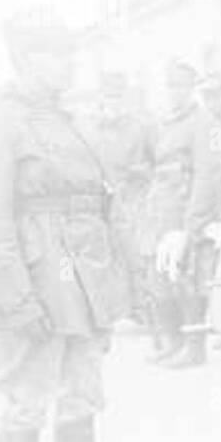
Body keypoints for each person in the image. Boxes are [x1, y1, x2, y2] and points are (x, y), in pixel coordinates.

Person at [0, 9, 150, 442]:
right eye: (59, 54)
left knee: (81, 396)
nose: (71, 63)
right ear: (27, 60)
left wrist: (122, 278)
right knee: (26, 400)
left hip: (83, 283)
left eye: (72, 52)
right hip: (37, 281)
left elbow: (97, 203)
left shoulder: (65, 120)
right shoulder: (0, 122)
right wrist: (14, 297)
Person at [155, 72, 221, 353]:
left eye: (217, 95)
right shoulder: (204, 124)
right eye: (207, 96)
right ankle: (210, 327)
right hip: (209, 201)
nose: (213, 101)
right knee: (202, 269)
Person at [142, 59, 218, 369]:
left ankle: (194, 348)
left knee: (186, 277)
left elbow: (207, 174)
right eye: (170, 86)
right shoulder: (164, 123)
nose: (175, 92)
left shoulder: (204, 123)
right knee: (159, 276)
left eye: (181, 86)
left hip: (186, 210)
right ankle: (172, 342)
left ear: (191, 89)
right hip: (161, 209)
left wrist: (193, 223)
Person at [82, 70, 155, 327]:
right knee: (103, 256)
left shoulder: (141, 126)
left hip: (132, 198)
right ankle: (107, 310)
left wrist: (141, 172)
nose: (113, 101)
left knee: (134, 255)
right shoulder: (87, 126)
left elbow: (156, 163)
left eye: (118, 95)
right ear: (100, 95)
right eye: (108, 95)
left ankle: (144, 309)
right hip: (98, 201)